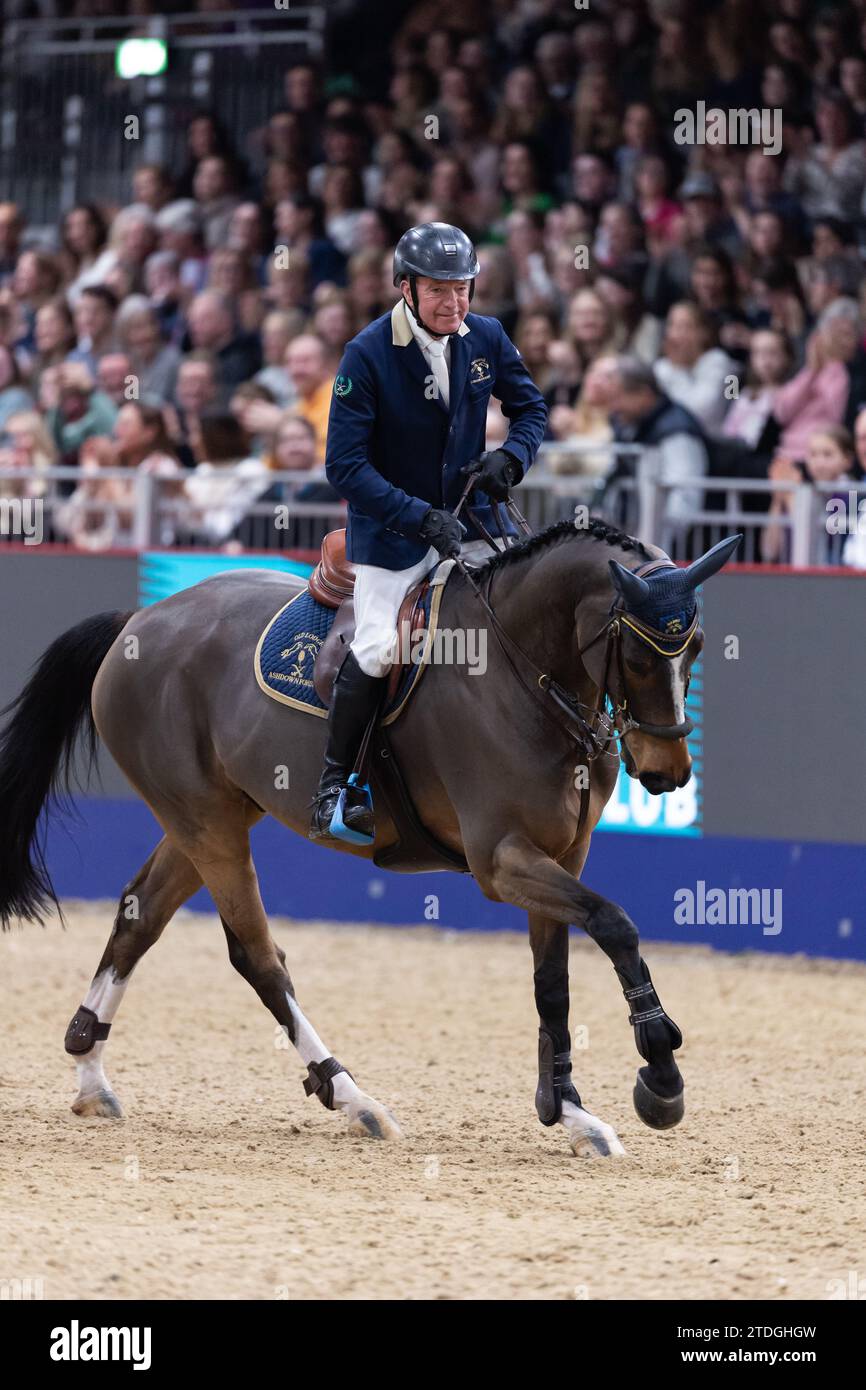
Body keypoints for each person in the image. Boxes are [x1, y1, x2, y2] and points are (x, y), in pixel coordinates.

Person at [310, 221, 547, 842]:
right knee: (380, 646)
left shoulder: (487, 336)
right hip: (394, 534)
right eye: (439, 290)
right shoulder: (366, 354)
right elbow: (345, 465)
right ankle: (336, 786)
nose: (455, 303)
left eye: (463, 288)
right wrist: (417, 516)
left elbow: (532, 409)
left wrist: (511, 458)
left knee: (536, 608)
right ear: (407, 288)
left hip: (474, 518)